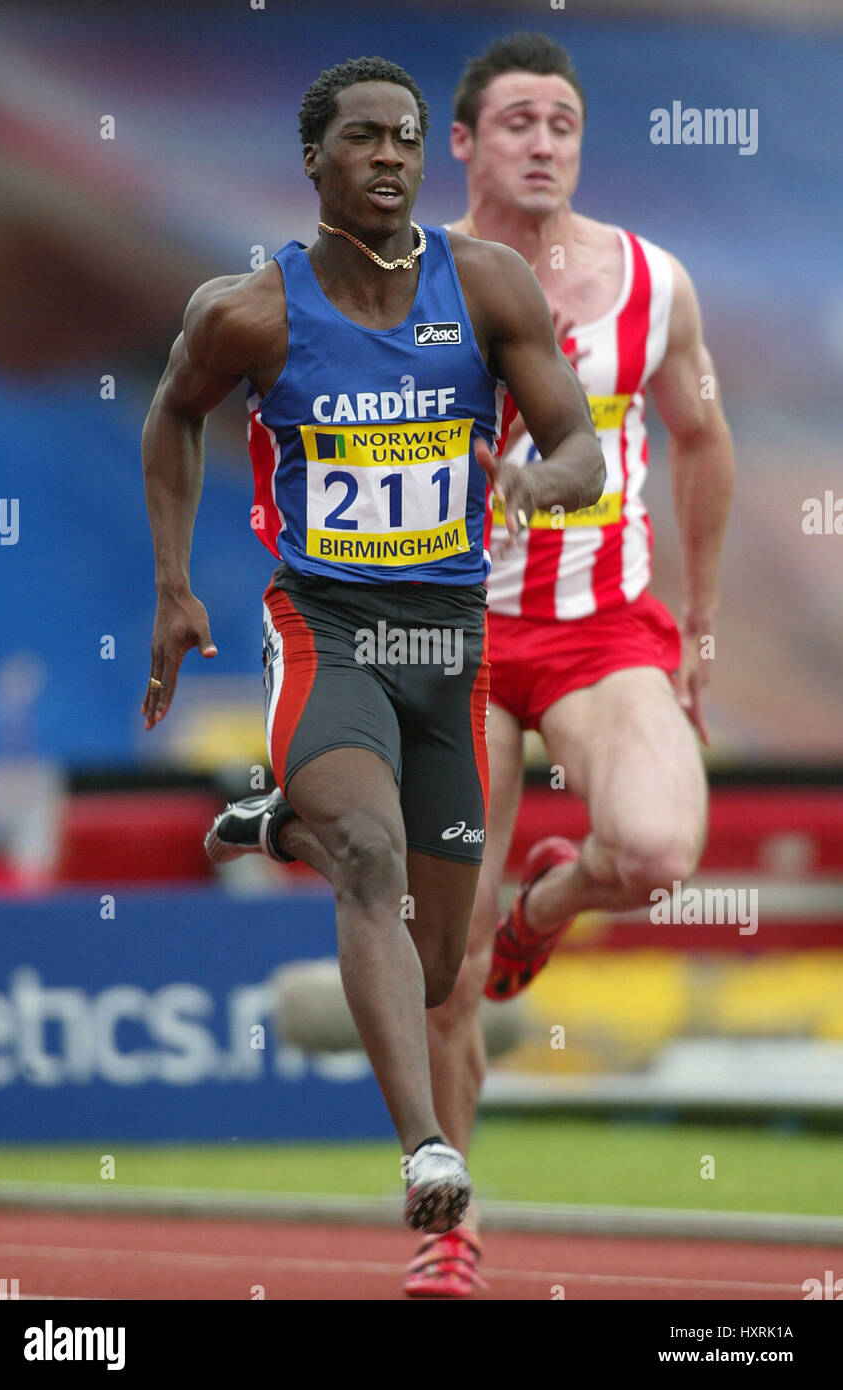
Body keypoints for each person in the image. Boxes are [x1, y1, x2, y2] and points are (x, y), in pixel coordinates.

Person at [141, 55, 604, 1237]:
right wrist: (174, 587)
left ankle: (278, 823)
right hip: (326, 628)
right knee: (368, 855)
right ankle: (425, 1151)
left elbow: (579, 451)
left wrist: (528, 476)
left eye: (404, 136)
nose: (390, 154)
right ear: (314, 162)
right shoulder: (246, 311)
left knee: (441, 959)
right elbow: (172, 415)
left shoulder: (490, 285)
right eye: (362, 137)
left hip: (447, 644)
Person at [404, 32, 736, 1295]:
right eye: (518, 123)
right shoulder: (398, 279)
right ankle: (449, 1220)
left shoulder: (654, 283)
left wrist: (695, 626)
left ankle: (545, 909)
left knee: (655, 850)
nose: (543, 144)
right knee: (444, 957)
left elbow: (701, 439)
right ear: (465, 143)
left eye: (562, 124)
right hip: (451, 639)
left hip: (602, 632)